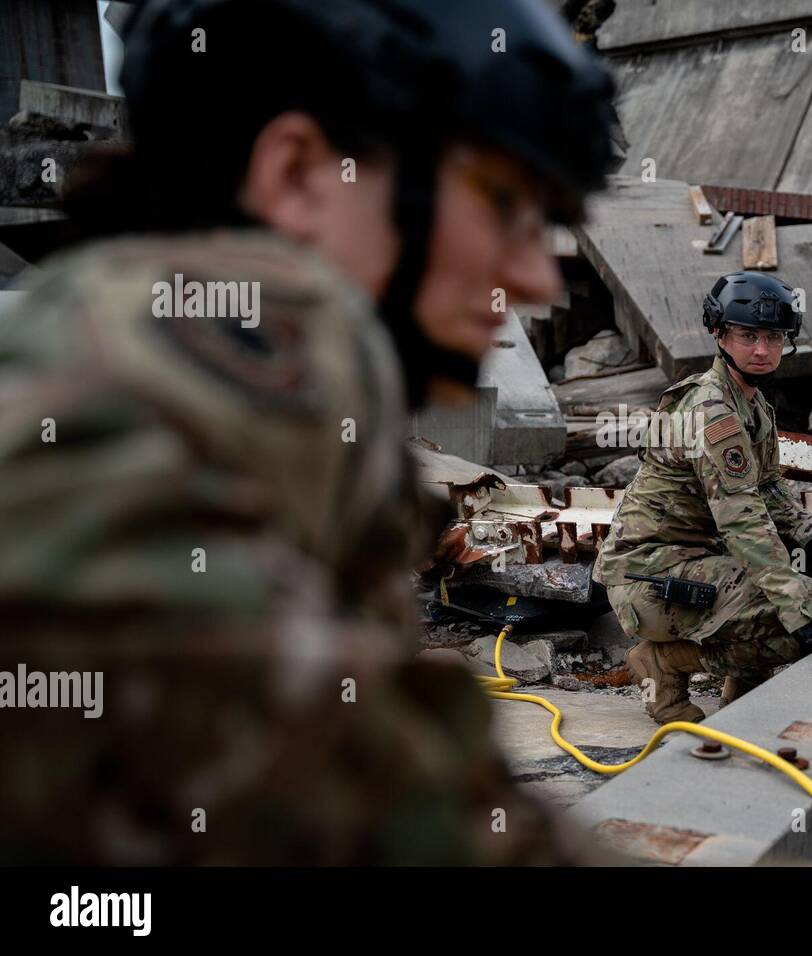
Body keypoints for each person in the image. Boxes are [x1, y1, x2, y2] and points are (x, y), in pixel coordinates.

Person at [0, 0, 615, 864]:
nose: (533, 278)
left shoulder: (254, 426)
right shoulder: (117, 427)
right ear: (295, 174)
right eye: (502, 202)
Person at [593, 271, 812, 725]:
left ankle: (743, 693)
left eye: (773, 338)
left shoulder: (751, 405)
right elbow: (742, 520)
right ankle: (661, 663)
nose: (761, 350)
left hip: (689, 562)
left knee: (799, 578)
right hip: (649, 576)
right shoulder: (711, 411)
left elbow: (770, 484)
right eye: (747, 335)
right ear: (719, 334)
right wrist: (798, 605)